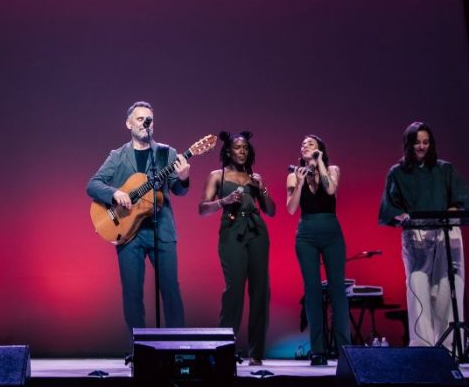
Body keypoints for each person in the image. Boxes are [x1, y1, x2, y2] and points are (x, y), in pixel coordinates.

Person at [87, 101, 190, 333]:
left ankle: (180, 349)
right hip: (128, 231)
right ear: (129, 123)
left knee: (171, 289)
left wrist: (183, 177)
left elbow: (178, 190)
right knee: (132, 293)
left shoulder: (166, 153)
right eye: (140, 118)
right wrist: (115, 193)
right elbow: (92, 185)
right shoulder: (118, 155)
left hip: (161, 229)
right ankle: (139, 350)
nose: (145, 123)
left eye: (148, 119)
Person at [379, 121, 469, 347]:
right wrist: (402, 216)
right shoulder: (397, 172)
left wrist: (452, 211)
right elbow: (390, 208)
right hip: (417, 237)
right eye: (417, 143)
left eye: (426, 142)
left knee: (447, 290)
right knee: (418, 288)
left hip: (446, 235)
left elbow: (464, 201)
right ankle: (423, 347)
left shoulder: (445, 169)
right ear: (409, 145)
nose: (422, 147)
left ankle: (451, 346)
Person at [199, 131, 275, 365]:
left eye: (245, 148)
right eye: (238, 148)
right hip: (232, 231)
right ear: (228, 151)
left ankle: (256, 353)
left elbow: (271, 210)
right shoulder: (217, 175)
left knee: (260, 291)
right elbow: (202, 208)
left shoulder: (255, 177)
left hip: (257, 232)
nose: (242, 151)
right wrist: (224, 201)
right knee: (234, 291)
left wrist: (261, 189)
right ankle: (224, 350)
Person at [286, 134, 349, 366]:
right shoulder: (294, 175)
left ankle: (344, 349)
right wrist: (300, 183)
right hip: (307, 234)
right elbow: (291, 209)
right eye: (302, 144)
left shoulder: (332, 169)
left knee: (337, 290)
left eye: (310, 144)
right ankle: (318, 350)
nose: (305, 146)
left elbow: (330, 190)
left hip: (331, 232)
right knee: (312, 291)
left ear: (320, 149)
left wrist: (319, 162)